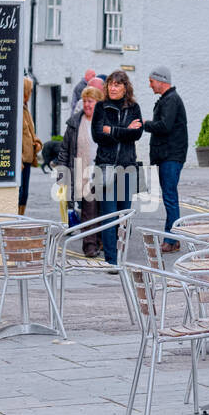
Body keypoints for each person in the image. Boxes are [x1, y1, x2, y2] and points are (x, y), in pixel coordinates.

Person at [91, 69, 143, 269]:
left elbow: (136, 135)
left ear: (125, 87)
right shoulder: (101, 107)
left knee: (124, 215)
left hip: (127, 166)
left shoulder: (134, 108)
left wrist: (111, 130)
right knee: (109, 214)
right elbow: (98, 135)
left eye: (117, 84)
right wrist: (125, 131)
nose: (113, 88)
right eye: (110, 84)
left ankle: (121, 255)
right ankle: (111, 260)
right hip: (106, 165)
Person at [141, 67, 188, 253]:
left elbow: (165, 126)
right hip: (168, 155)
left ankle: (172, 238)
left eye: (151, 81)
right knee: (170, 196)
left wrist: (144, 124)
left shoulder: (171, 100)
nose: (150, 85)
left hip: (171, 155)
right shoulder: (169, 99)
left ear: (161, 81)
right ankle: (173, 238)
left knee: (170, 197)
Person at [58, 85, 105, 257]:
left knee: (103, 211)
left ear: (98, 103)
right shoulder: (75, 123)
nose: (86, 104)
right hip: (82, 173)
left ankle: (101, 241)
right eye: (84, 101)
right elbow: (64, 150)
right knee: (88, 212)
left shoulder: (105, 121)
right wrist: (62, 175)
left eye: (90, 101)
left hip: (102, 173)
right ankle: (89, 246)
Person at [18, 77, 42, 217]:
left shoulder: (25, 109)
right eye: (29, 90)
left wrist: (37, 143)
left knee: (24, 194)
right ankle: (16, 219)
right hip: (20, 161)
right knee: (20, 193)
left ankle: (20, 217)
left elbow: (31, 132)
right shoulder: (17, 110)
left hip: (27, 158)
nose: (31, 93)